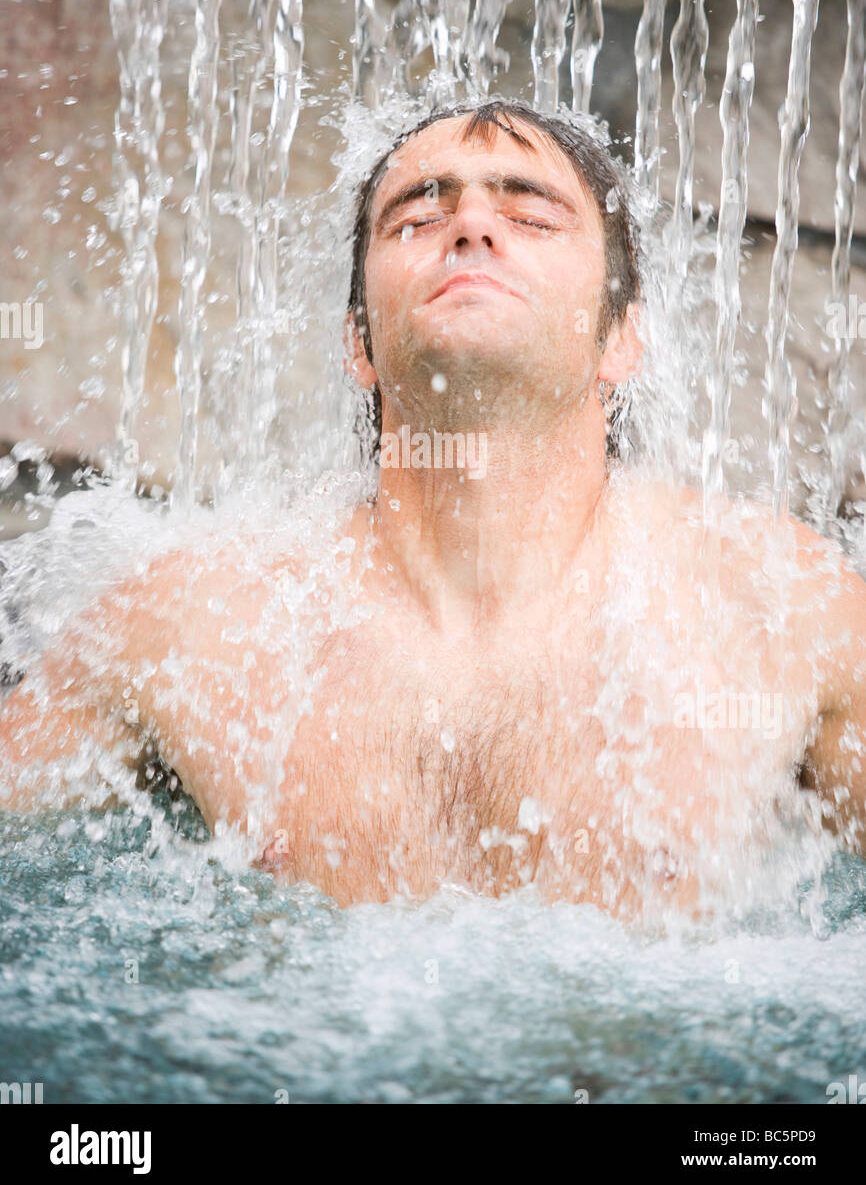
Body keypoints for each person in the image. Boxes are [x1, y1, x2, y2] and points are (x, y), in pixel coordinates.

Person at [2, 98, 866, 920]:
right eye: (417, 217)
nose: (473, 227)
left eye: (531, 216)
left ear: (621, 336)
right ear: (359, 344)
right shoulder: (193, 627)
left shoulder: (780, 609)